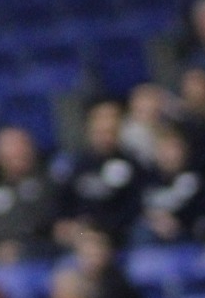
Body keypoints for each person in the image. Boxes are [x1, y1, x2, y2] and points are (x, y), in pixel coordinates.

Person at [55, 102, 145, 245]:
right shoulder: (78, 165)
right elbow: (63, 202)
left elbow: (133, 208)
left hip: (116, 234)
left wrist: (100, 227)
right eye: (100, 132)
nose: (105, 138)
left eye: (110, 132)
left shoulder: (131, 165)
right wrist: (66, 224)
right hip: (81, 233)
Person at [140, 126, 205, 245]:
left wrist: (179, 222)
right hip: (154, 235)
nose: (170, 155)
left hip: (188, 234)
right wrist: (156, 219)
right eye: (165, 149)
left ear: (184, 150)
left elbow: (204, 211)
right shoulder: (146, 179)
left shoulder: (197, 178)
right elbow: (139, 207)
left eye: (174, 148)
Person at [0, 127, 58, 262]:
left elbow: (52, 224)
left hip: (43, 253)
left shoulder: (50, 185)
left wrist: (22, 247)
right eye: (11, 146)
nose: (19, 151)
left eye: (22, 145)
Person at [73, 226, 150, 298]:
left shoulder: (119, 284)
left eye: (94, 253)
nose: (90, 259)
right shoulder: (77, 280)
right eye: (85, 254)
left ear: (106, 252)